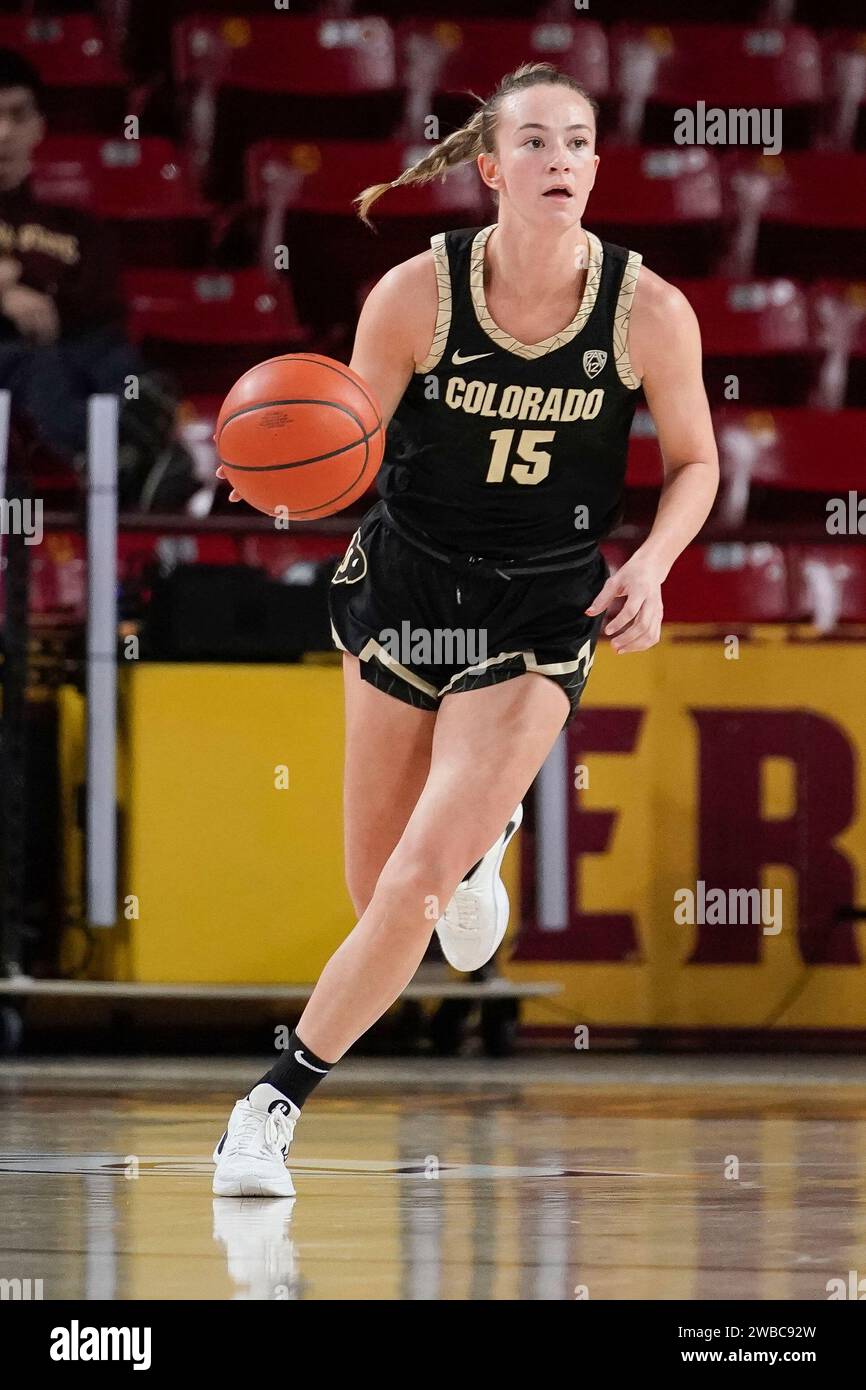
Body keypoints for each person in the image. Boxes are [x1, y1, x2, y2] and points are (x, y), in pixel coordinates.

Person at [213, 62, 719, 1198]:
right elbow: (339, 444)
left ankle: (267, 1105)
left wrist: (652, 559)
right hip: (404, 586)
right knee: (380, 896)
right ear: (489, 168)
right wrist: (275, 469)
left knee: (413, 892)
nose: (559, 161)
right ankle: (481, 838)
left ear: (595, 165)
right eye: (534, 143)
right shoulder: (412, 294)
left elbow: (694, 462)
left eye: (578, 143)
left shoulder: (646, 310)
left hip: (542, 605)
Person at [0, 48, 194, 508]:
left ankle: (158, 455)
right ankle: (108, 460)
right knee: (40, 363)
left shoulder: (77, 226)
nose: (3, 132)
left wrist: (24, 288)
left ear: (39, 126)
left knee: (116, 361)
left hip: (72, 350)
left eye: (17, 115)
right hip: (18, 361)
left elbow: (99, 304)